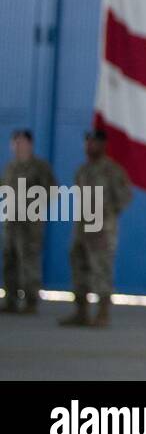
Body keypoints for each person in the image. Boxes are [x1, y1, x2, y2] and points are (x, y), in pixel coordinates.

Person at [60, 128, 133, 328]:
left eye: (94, 142)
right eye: (87, 141)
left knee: (101, 269)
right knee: (79, 266)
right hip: (81, 228)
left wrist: (107, 214)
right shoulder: (82, 170)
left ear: (103, 145)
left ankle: (102, 314)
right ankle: (81, 312)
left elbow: (125, 196)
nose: (89, 145)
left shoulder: (112, 170)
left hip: (102, 230)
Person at [2, 129, 56, 313]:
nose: (18, 145)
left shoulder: (39, 167)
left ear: (30, 144)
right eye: (15, 142)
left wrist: (33, 205)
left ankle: (31, 301)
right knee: (10, 260)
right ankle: (10, 299)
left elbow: (51, 189)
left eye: (22, 142)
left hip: (30, 224)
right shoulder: (11, 167)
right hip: (11, 222)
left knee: (29, 261)